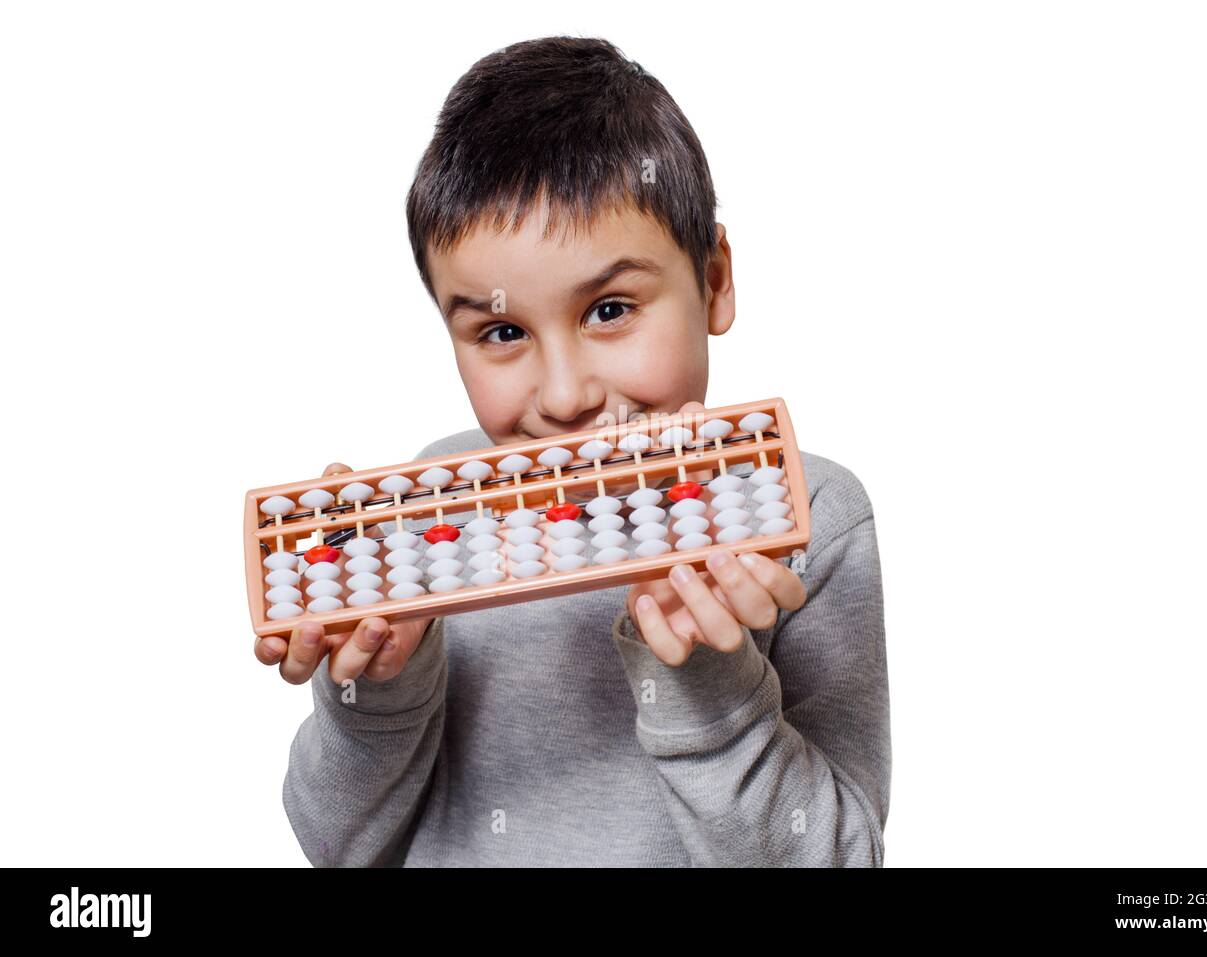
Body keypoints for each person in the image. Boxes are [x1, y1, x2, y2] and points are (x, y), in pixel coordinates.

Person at [253, 36, 891, 867]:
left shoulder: (811, 522)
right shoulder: (430, 532)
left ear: (715, 279)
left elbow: (843, 857)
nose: (564, 396)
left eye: (611, 309)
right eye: (504, 331)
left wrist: (706, 685)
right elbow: (337, 846)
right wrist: (372, 689)